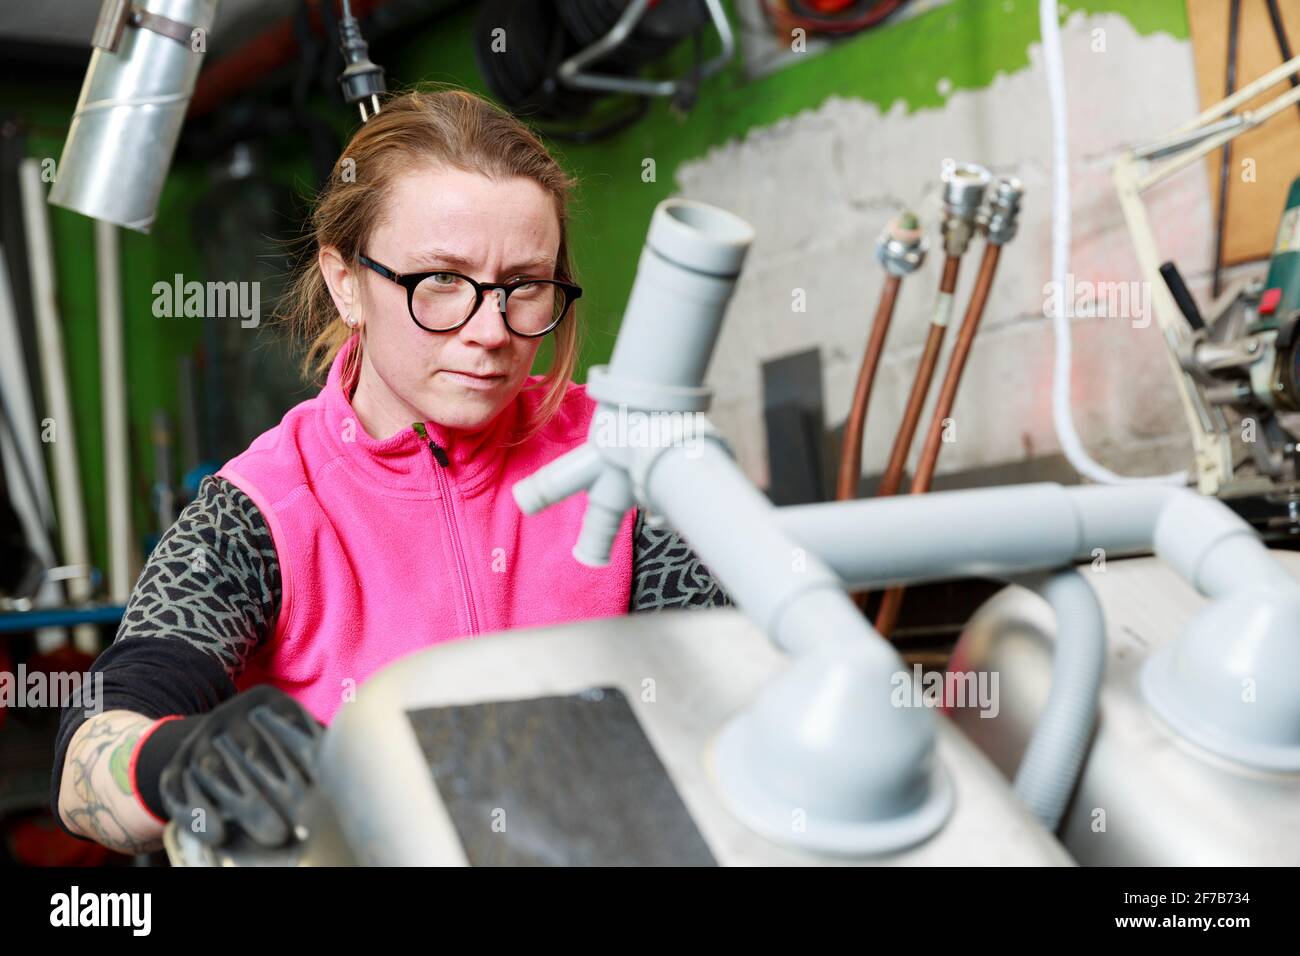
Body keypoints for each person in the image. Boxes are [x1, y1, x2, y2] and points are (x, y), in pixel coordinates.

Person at [52, 87, 730, 855]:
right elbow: (83, 771)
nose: (491, 331)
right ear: (346, 281)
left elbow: (722, 694)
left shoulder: (620, 457)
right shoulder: (259, 512)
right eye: (440, 279)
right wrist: (175, 759)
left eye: (525, 285)